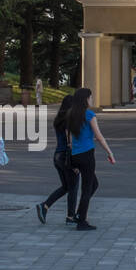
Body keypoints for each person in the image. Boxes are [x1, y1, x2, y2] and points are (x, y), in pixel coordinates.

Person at [65, 88, 116, 230]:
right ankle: (82, 222)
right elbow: (99, 136)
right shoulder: (89, 115)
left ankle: (79, 214)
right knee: (87, 188)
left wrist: (72, 159)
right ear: (85, 99)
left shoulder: (70, 114)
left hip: (75, 155)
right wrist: (109, 152)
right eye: (91, 97)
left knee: (94, 184)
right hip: (87, 155)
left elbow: (68, 138)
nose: (92, 100)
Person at [35, 95, 80, 226]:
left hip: (57, 156)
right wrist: (75, 162)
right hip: (67, 156)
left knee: (66, 186)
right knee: (73, 187)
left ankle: (45, 206)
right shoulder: (69, 121)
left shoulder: (58, 120)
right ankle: (70, 217)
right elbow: (70, 142)